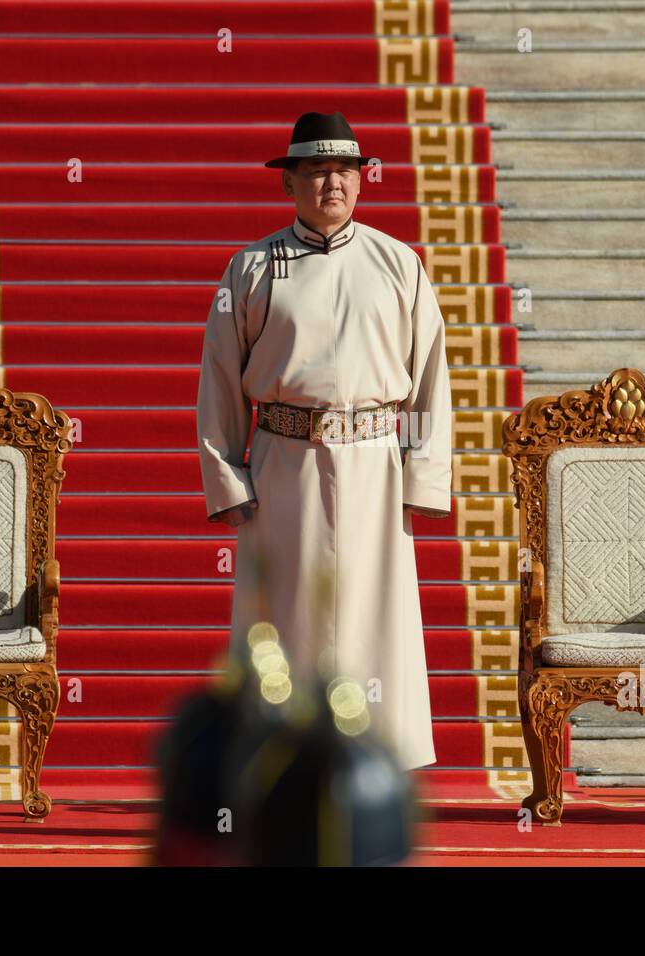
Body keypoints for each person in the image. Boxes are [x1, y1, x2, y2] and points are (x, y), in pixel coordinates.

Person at [195, 111, 453, 771]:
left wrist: (423, 476)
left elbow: (429, 380)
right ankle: (277, 761)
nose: (330, 183)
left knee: (376, 621)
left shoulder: (401, 265)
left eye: (343, 170)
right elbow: (220, 378)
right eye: (315, 170)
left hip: (376, 466)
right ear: (290, 184)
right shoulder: (249, 269)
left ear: (362, 180)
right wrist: (227, 478)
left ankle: (377, 769)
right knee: (287, 616)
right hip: (284, 463)